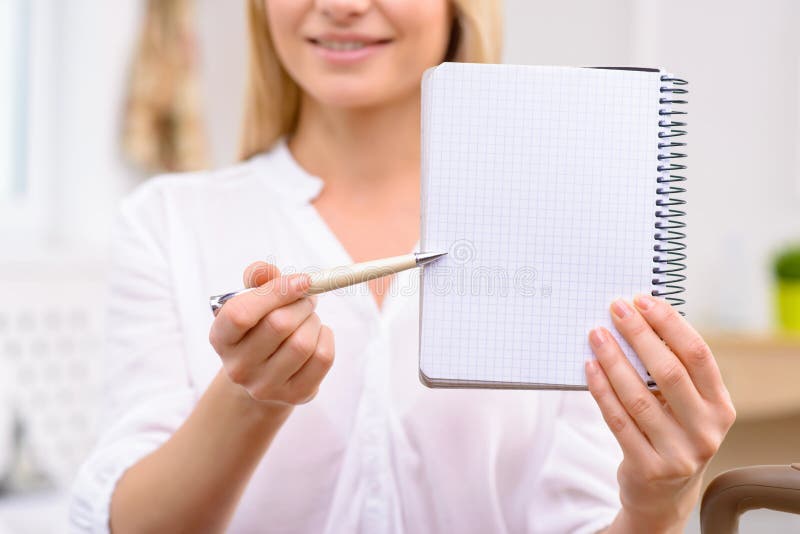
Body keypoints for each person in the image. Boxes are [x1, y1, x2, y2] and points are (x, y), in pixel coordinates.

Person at [70, 1, 736, 532]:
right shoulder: (167, 223)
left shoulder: (571, 234)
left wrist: (657, 507)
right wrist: (249, 397)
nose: (343, 6)